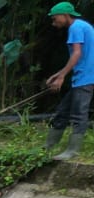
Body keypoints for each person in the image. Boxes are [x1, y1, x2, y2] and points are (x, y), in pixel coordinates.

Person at [45, 2, 94, 161]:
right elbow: (80, 57)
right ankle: (49, 145)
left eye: (55, 18)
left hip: (86, 76)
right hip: (82, 76)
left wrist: (61, 77)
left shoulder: (75, 27)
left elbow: (77, 54)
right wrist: (59, 73)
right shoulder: (81, 26)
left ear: (65, 15)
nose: (54, 23)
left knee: (79, 113)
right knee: (63, 111)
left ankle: (73, 150)